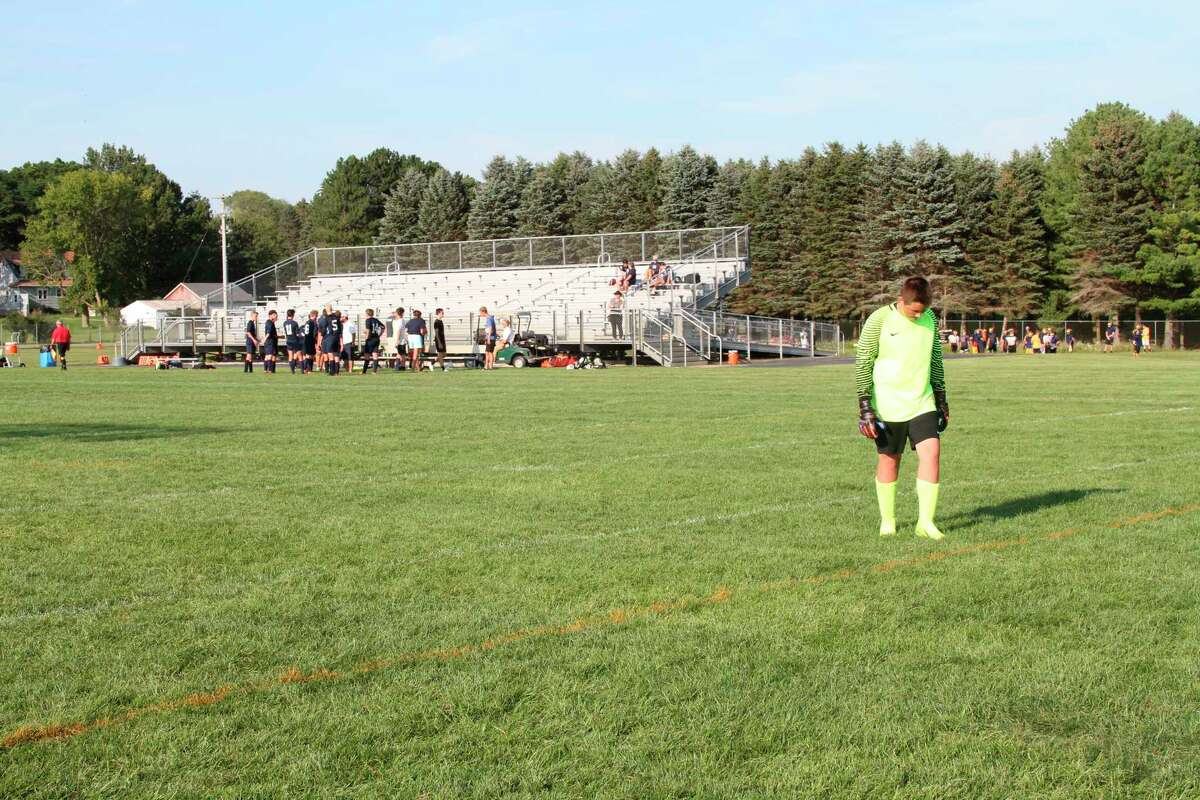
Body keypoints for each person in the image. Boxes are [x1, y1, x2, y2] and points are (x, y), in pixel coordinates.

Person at [855, 276, 948, 540]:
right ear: (901, 300)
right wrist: (865, 405)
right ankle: (888, 520)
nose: (919, 315)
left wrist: (941, 398)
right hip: (887, 404)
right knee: (889, 458)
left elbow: (936, 360)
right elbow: (863, 361)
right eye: (914, 310)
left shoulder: (930, 319)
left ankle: (925, 523)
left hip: (922, 401)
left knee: (932, 453)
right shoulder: (879, 320)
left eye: (923, 310)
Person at [361, 308, 386, 374]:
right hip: (376, 338)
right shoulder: (376, 320)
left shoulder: (368, 320)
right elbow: (383, 327)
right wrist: (380, 334)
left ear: (367, 313)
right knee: (375, 355)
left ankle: (364, 371)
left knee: (367, 355)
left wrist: (366, 337)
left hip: (370, 339)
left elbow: (368, 330)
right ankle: (374, 371)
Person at [320, 308, 342, 375]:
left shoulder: (326, 319)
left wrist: (322, 335)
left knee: (330, 355)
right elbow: (340, 331)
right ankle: (337, 372)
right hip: (337, 338)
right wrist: (341, 342)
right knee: (336, 355)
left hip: (329, 337)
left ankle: (332, 371)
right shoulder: (337, 319)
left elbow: (323, 330)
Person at [283, 309, 303, 374]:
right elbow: (297, 334)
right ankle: (302, 371)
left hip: (288, 340)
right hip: (295, 340)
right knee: (299, 355)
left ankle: (292, 371)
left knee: (290, 356)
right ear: (293, 315)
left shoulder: (285, 323)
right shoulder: (294, 323)